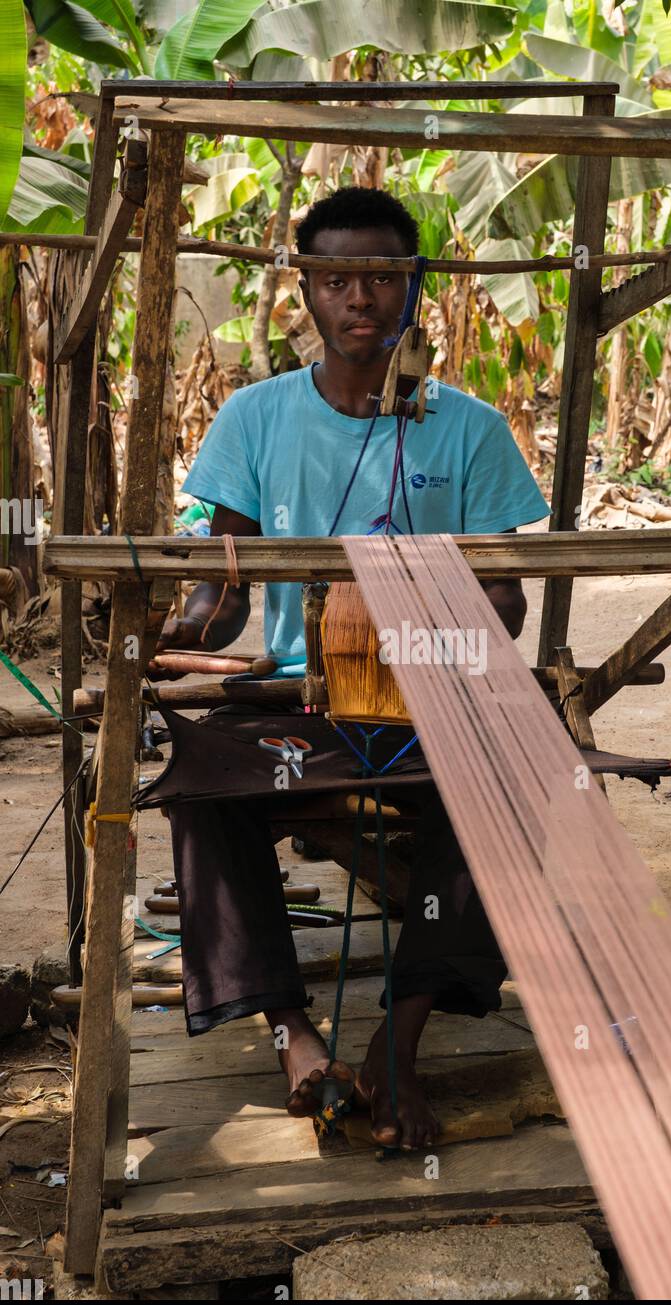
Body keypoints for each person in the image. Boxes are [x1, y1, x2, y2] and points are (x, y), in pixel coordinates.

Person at [154, 186, 549, 1149]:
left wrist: (424, 639)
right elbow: (226, 590)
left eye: (381, 277)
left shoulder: (469, 429)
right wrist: (176, 632)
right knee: (203, 785)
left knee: (510, 793)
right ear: (308, 290)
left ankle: (396, 1046)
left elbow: (505, 600)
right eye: (337, 279)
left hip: (431, 711)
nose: (359, 298)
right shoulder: (253, 419)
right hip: (302, 705)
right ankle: (294, 1036)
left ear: (414, 290)